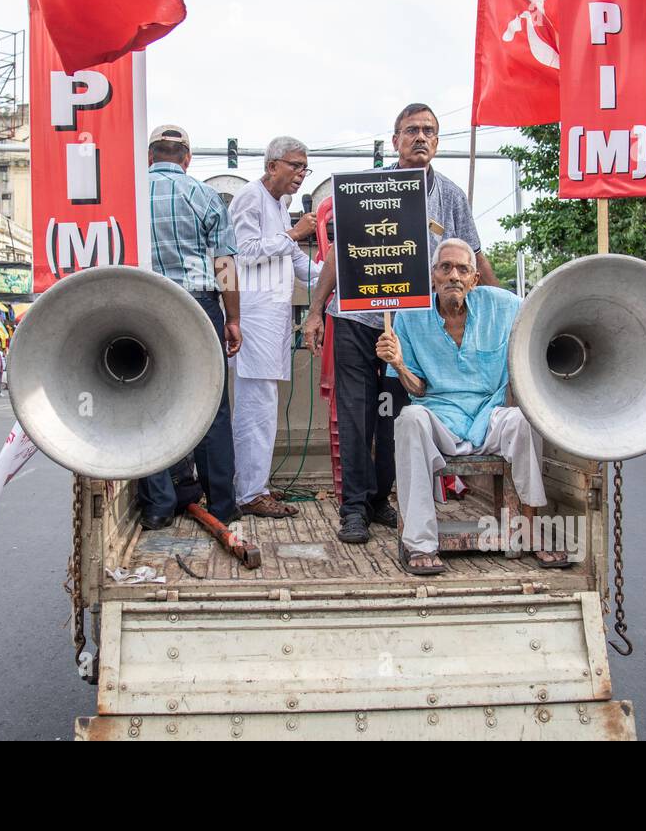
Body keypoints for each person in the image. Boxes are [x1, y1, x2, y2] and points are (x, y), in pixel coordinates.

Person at [303, 103, 499, 546]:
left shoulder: (450, 196)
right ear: (394, 141)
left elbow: (474, 255)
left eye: (429, 131)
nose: (420, 138)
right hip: (355, 319)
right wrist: (316, 309)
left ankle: (378, 501)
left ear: (437, 141)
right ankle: (353, 509)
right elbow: (337, 254)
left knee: (395, 414)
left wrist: (502, 304)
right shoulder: (368, 189)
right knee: (356, 416)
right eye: (411, 130)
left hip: (410, 326)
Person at [378, 238, 568, 574]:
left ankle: (533, 531)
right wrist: (400, 365)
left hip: (488, 416)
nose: (453, 275)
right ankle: (420, 544)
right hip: (441, 417)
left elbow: (543, 320)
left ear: (474, 279)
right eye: (445, 267)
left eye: (462, 269)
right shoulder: (408, 317)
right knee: (408, 418)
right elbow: (417, 390)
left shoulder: (505, 306)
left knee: (523, 422)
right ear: (432, 275)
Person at [137, 123, 242, 529]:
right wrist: (232, 319)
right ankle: (221, 504)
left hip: (143, 307)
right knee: (211, 405)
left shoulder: (128, 192)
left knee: (149, 402)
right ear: (187, 159)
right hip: (198, 309)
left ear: (150, 157)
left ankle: (159, 506)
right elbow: (226, 265)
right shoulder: (205, 196)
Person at [228, 136, 321, 518]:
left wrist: (327, 279)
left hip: (274, 319)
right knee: (255, 407)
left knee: (264, 405)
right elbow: (244, 253)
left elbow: (294, 258)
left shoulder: (279, 204)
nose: (301, 174)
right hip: (254, 317)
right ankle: (248, 493)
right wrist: (295, 233)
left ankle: (256, 485)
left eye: (305, 168)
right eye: (295, 166)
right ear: (272, 166)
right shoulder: (250, 198)